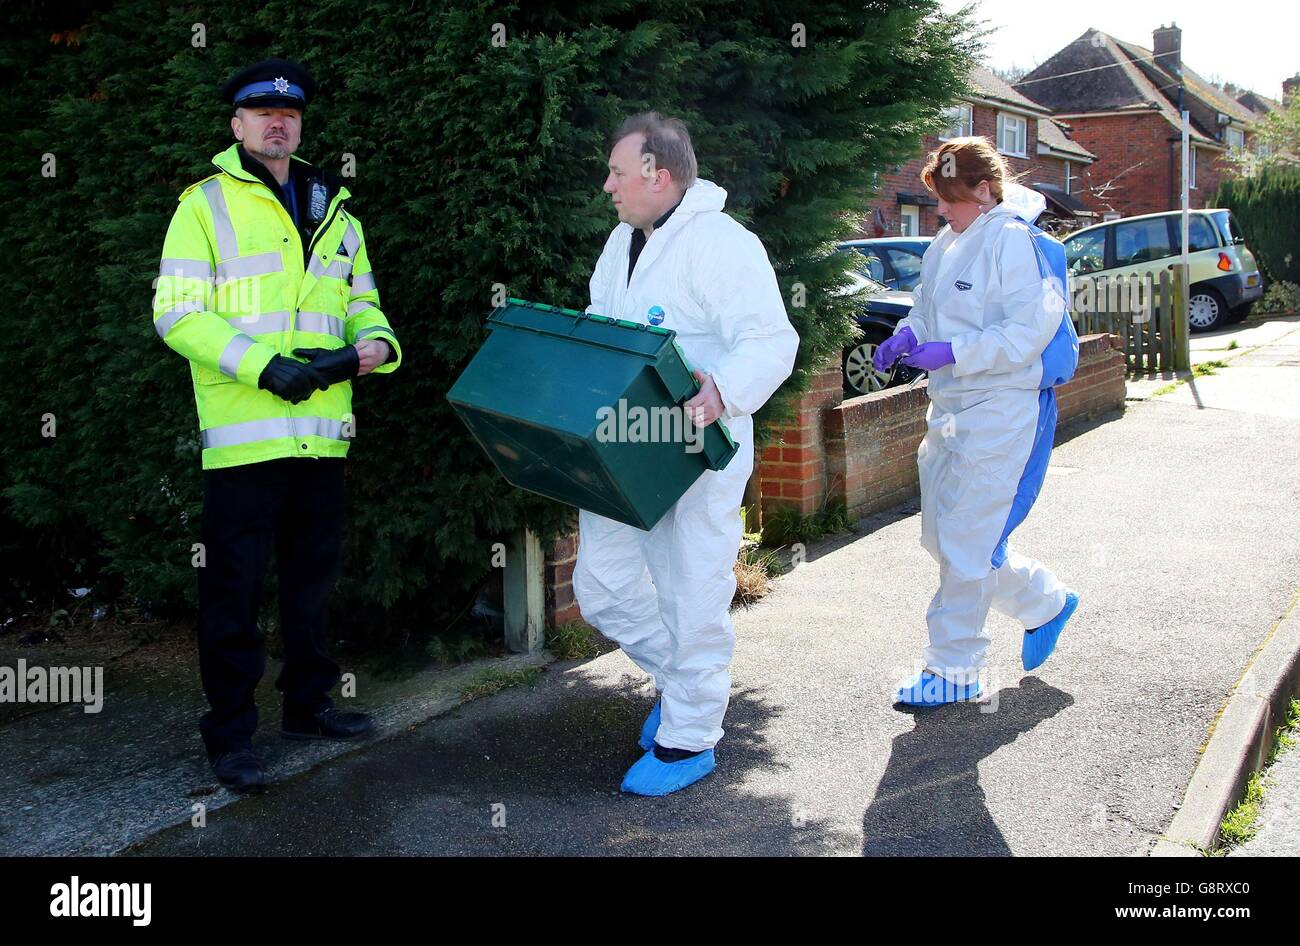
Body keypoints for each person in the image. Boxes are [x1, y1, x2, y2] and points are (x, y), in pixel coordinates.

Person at [151, 58, 402, 791]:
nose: (277, 121)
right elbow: (178, 312)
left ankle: (308, 706)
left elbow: (365, 305)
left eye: (288, 113)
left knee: (311, 583)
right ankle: (230, 738)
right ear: (237, 125)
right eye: (261, 111)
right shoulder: (204, 205)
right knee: (233, 590)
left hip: (323, 432)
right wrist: (265, 366)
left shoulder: (338, 213)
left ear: (300, 124)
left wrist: (376, 347)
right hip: (244, 438)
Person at [572, 113, 799, 794]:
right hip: (625, 440)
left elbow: (771, 340)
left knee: (689, 588)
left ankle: (690, 736)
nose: (607, 185)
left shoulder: (723, 243)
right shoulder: (622, 242)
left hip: (699, 446)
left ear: (657, 175)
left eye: (617, 172)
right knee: (602, 587)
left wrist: (720, 391)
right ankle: (684, 687)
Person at [872, 137, 1080, 706]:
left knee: (967, 540)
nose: (941, 210)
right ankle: (1045, 602)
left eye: (951, 199)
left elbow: (1025, 334)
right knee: (945, 537)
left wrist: (954, 351)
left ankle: (955, 671)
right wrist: (909, 335)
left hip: (1004, 410)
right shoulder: (948, 240)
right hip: (952, 408)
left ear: (985, 192)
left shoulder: (1014, 243)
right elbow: (925, 307)